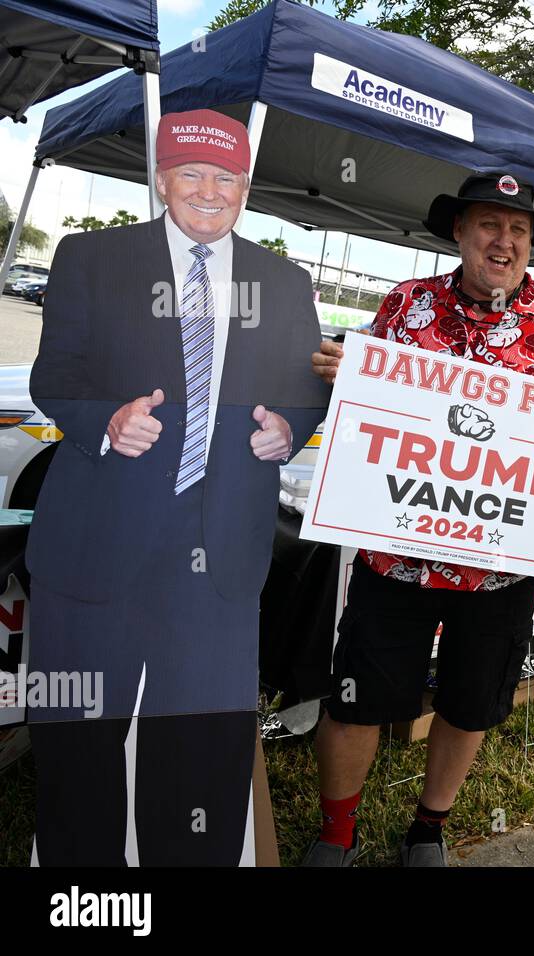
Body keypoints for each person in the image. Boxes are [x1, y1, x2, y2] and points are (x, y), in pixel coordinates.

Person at [24, 109, 329, 865]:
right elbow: (52, 378)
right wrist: (105, 420)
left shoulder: (283, 283)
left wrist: (291, 428)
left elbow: (306, 390)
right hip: (96, 549)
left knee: (198, 758)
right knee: (81, 745)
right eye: (191, 172)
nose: (208, 190)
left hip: (219, 562)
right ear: (161, 179)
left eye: (226, 177)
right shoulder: (91, 258)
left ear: (246, 188)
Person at [304, 172, 534, 866]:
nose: (504, 241)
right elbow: (367, 412)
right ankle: (337, 832)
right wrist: (345, 374)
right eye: (489, 225)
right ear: (460, 232)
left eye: (519, 230)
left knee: (470, 706)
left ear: (531, 245)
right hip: (398, 556)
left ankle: (427, 829)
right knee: (355, 700)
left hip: (502, 567)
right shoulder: (405, 305)